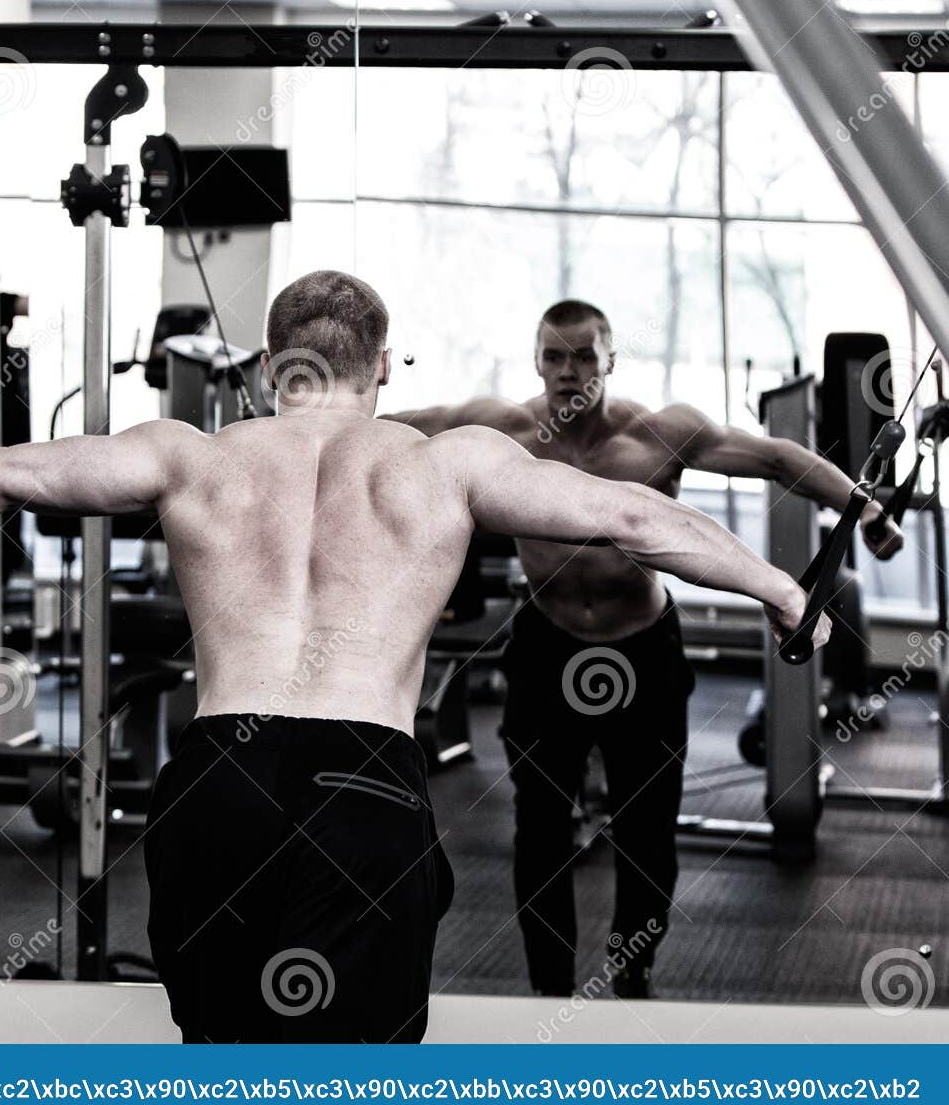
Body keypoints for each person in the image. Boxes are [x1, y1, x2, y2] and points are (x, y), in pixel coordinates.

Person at [0, 273, 827, 1042]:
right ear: (384, 368)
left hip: (216, 782)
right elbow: (632, 515)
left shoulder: (187, 453)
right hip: (360, 782)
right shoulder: (445, 460)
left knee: (226, 1057)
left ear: (268, 372)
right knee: (349, 1077)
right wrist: (783, 593)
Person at [382, 298, 898, 999]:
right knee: (539, 835)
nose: (569, 372)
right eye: (555, 357)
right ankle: (550, 992)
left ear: (611, 360)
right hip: (546, 646)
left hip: (643, 649)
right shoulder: (501, 429)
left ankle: (632, 978)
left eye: (585, 356)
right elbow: (394, 428)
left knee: (648, 839)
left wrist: (862, 508)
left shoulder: (659, 436)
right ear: (537, 360)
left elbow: (775, 458)